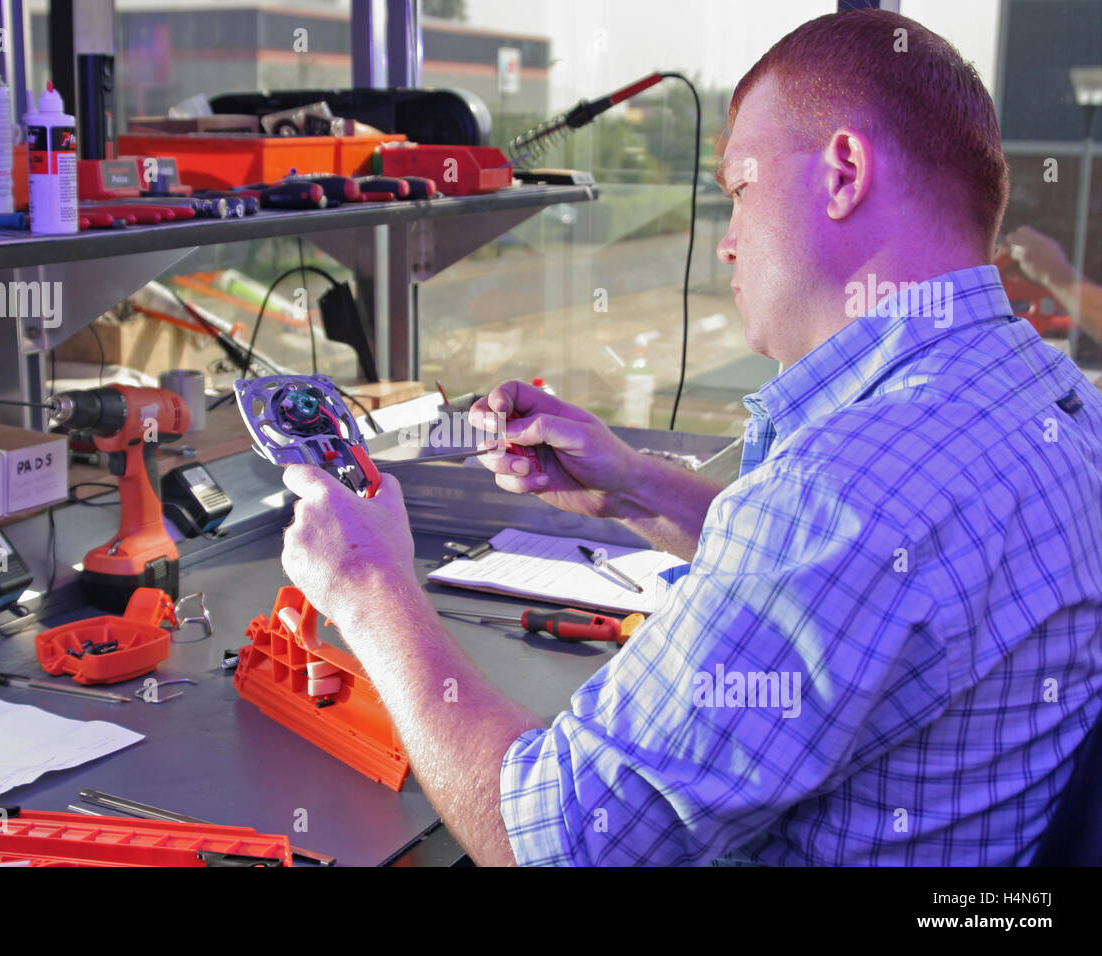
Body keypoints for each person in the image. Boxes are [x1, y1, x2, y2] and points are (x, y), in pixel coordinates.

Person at [279, 9, 1102, 865]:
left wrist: (369, 586)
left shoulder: (846, 487)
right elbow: (871, 588)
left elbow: (553, 839)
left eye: (740, 191)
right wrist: (630, 485)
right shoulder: (1044, 390)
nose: (728, 245)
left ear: (844, 173)